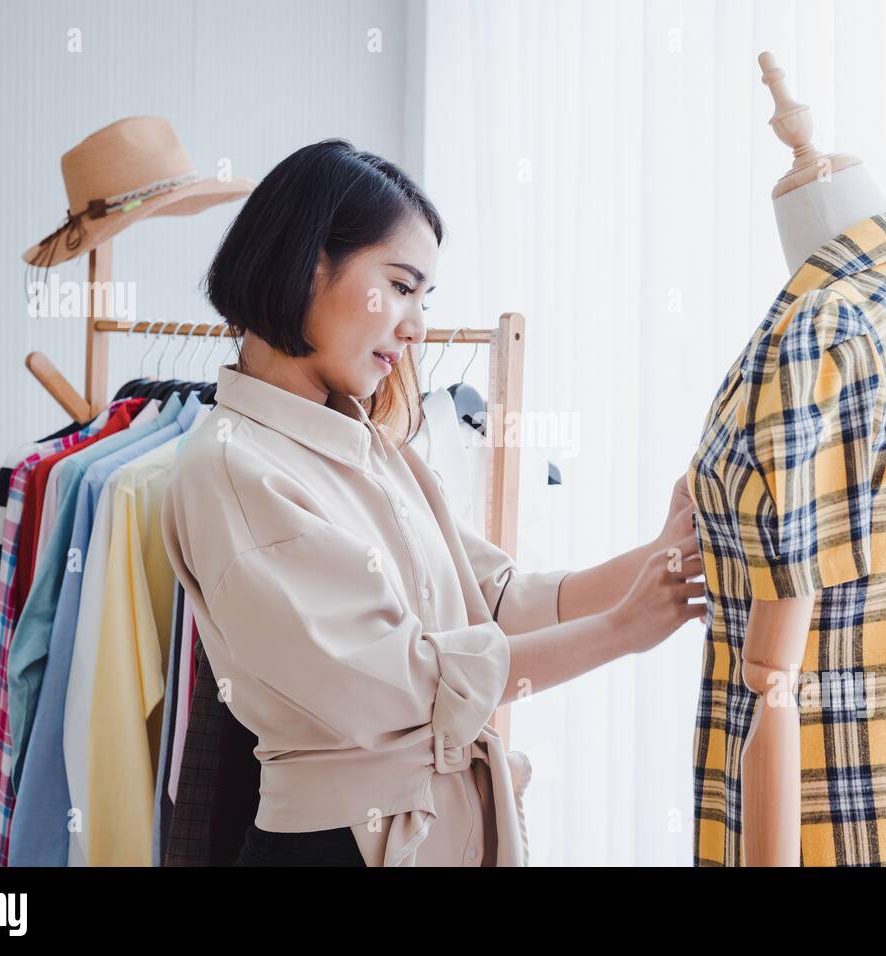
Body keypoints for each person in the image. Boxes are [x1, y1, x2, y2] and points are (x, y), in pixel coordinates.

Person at [160, 139, 704, 866]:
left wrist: (663, 556)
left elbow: (501, 599)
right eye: (401, 285)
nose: (416, 326)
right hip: (341, 847)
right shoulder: (233, 469)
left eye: (424, 297)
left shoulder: (375, 448)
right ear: (307, 261)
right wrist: (622, 630)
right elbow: (404, 683)